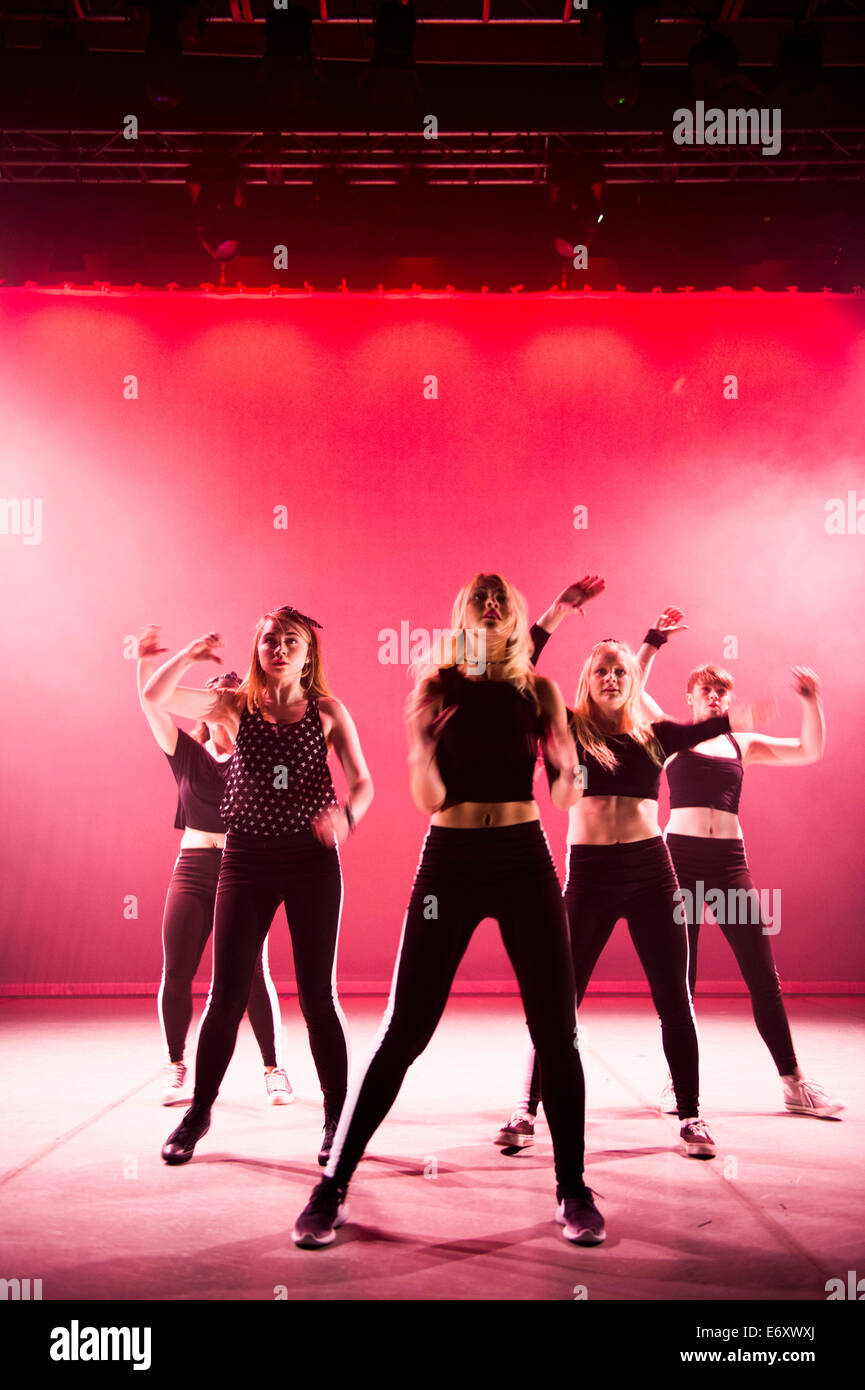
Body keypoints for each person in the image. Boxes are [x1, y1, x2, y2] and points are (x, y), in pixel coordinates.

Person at [292, 573, 605, 1249]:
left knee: (558, 1033)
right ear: (463, 616)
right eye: (478, 601)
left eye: (501, 602)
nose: (490, 608)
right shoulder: (437, 688)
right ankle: (332, 1186)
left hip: (524, 858)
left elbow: (564, 797)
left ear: (514, 618)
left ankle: (572, 1190)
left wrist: (566, 759)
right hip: (452, 861)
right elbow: (428, 796)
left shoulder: (538, 690)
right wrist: (422, 745)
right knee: (403, 1030)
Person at [495, 627, 773, 1161]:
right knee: (558, 1002)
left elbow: (704, 728)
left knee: (675, 999)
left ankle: (691, 1115)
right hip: (591, 877)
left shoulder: (654, 735)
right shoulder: (568, 729)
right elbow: (519, 675)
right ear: (587, 679)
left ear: (633, 680)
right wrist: (554, 618)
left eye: (622, 670)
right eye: (602, 669)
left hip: (652, 875)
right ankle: (526, 1110)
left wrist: (741, 718)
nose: (613, 678)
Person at [143, 605, 373, 1166]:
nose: (279, 648)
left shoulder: (327, 711)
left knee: (319, 996)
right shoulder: (232, 705)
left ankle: (336, 1119)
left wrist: (346, 816)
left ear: (307, 653)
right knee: (225, 995)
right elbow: (155, 696)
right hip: (245, 858)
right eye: (270, 639)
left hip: (311, 860)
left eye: (291, 641)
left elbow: (363, 782)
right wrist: (190, 656)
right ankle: (200, 1112)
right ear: (258, 648)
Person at [636, 623, 842, 1120]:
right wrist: (653, 641)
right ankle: (677, 1082)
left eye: (722, 690)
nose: (714, 696)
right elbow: (635, 689)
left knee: (762, 977)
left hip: (729, 866)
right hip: (679, 863)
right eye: (705, 689)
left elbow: (808, 751)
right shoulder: (671, 735)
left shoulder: (740, 743)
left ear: (728, 699)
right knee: (680, 980)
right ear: (690, 697)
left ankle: (794, 1084)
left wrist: (812, 701)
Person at [136, 625, 290, 1106]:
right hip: (193, 867)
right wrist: (152, 660)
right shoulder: (184, 751)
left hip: (241, 868)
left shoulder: (256, 750)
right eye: (214, 693)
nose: (222, 698)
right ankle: (176, 1064)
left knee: (247, 975)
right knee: (178, 968)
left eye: (232, 693)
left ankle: (273, 1068)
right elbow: (150, 700)